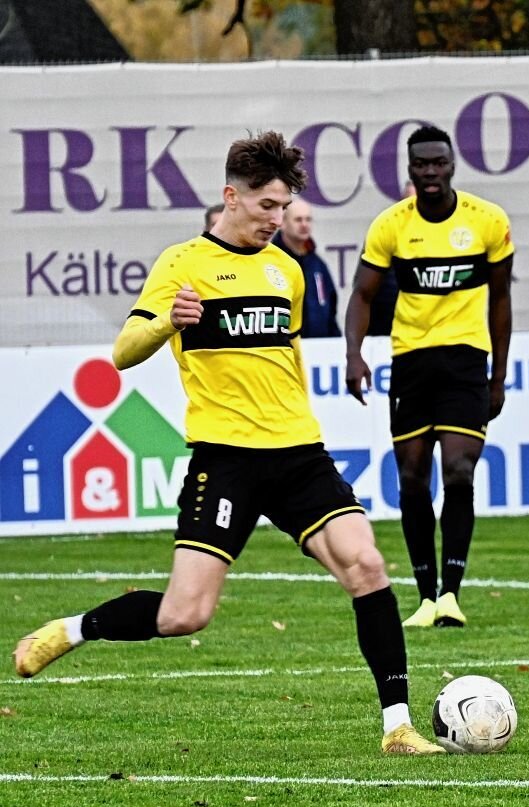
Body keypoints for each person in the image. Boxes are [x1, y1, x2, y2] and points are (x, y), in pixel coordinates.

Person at [11, 131, 442, 756]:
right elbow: (123, 352)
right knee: (185, 614)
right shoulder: (182, 264)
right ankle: (74, 630)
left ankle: (397, 727)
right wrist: (169, 320)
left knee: (367, 565)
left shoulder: (286, 270)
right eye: (267, 206)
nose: (277, 219)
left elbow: (285, 354)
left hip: (298, 454)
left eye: (283, 207)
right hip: (226, 460)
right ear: (231, 196)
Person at [344, 125, 515, 630]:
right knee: (413, 478)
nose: (431, 172)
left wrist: (498, 376)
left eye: (439, 162)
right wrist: (354, 354)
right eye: (421, 164)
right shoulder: (391, 226)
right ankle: (424, 597)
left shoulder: (487, 221)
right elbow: (362, 295)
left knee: (459, 470)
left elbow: (501, 299)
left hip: (465, 361)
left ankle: (451, 595)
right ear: (410, 169)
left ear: (453, 164)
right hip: (412, 363)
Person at [273, 199, 340, 338]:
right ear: (283, 223)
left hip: (319, 346)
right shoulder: (271, 262)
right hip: (285, 345)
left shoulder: (318, 264)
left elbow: (330, 310)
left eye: (308, 219)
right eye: (298, 220)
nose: (304, 224)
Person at [367, 182, 416, 337]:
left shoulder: (443, 241)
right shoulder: (384, 238)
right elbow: (364, 294)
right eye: (410, 203)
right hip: (388, 336)